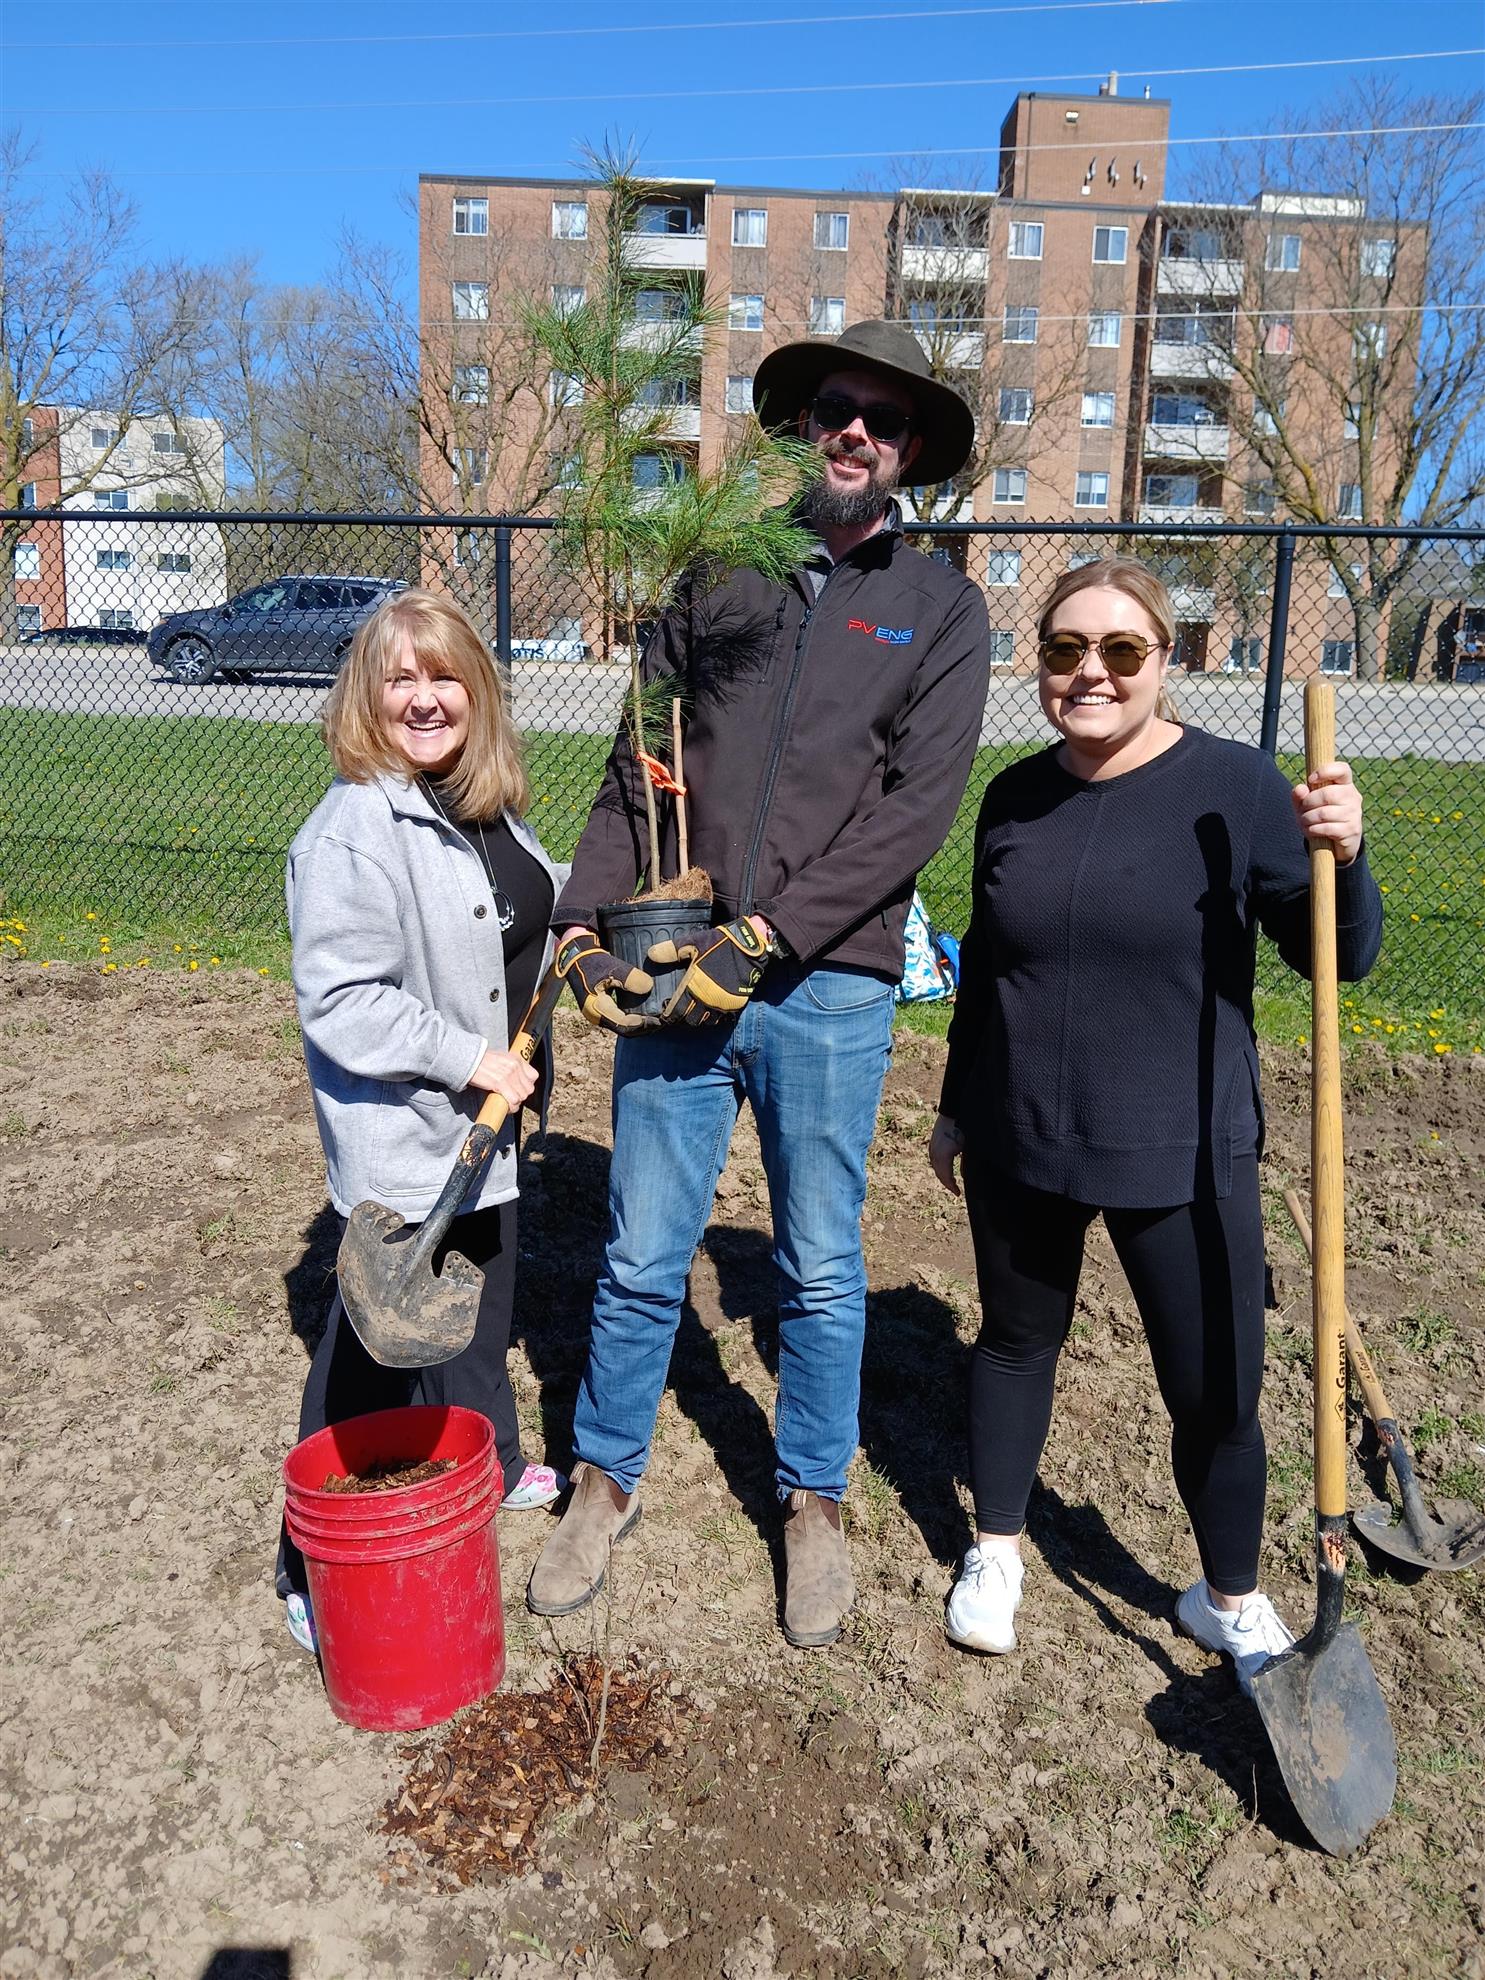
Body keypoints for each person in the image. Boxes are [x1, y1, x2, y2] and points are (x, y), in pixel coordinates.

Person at [529, 320, 991, 1646]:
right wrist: (579, 930)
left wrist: (771, 936)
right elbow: (640, 765)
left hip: (828, 989)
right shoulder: (717, 576)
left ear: (909, 456)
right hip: (676, 956)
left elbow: (913, 815)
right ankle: (606, 1478)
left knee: (822, 1263)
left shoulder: (940, 610)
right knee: (638, 1249)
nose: (856, 431)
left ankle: (810, 1502)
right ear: (800, 426)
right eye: (836, 408)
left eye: (885, 422)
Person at [927, 557, 1383, 1695]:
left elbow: (1348, 954)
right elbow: (984, 971)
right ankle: (996, 1554)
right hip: (1023, 1133)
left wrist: (1348, 854)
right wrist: (952, 1103)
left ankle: (1227, 1596)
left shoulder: (1235, 789)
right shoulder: (1013, 797)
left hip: (1184, 1147)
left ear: (1163, 663)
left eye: (1121, 652)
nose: (1091, 673)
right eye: (1066, 650)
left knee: (1217, 1390)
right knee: (1015, 1340)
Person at [277, 588, 569, 1652]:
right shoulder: (355, 828)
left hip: (483, 1128)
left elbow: (523, 905)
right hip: (410, 1131)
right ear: (367, 696)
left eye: (444, 675)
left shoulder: (476, 806)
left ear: (477, 692)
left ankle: (483, 1457)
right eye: (400, 678)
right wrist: (468, 1056)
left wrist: (598, 917)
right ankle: (307, 1569)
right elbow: (343, 1000)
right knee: (373, 1351)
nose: (424, 698)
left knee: (482, 1303)